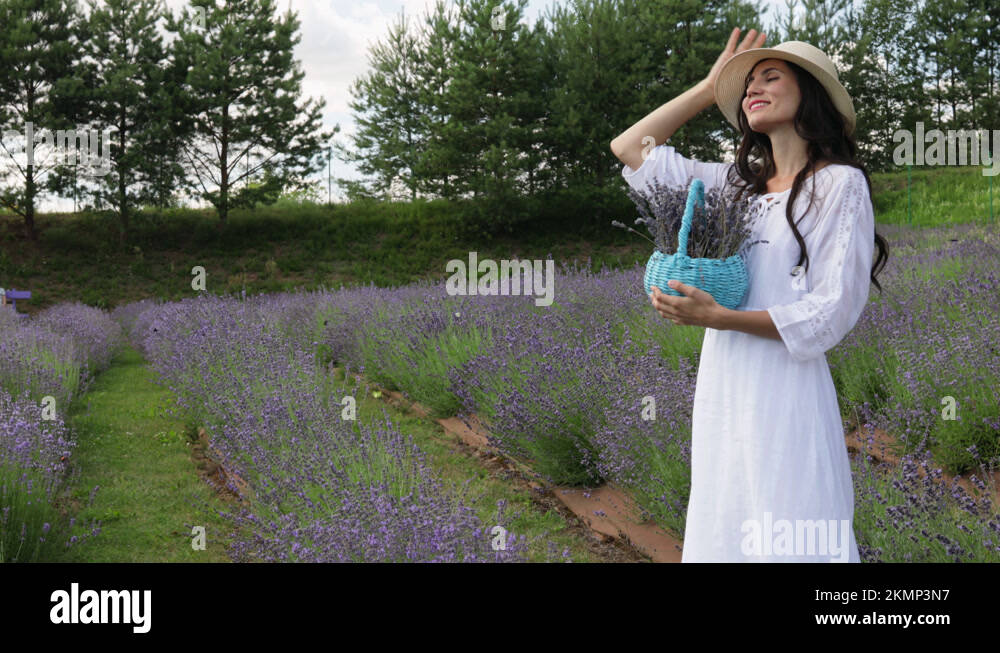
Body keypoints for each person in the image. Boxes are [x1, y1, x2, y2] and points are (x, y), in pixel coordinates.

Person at [610, 28, 889, 562]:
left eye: (770, 76)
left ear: (810, 92)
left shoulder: (838, 185)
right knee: (728, 517)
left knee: (792, 519)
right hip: (726, 381)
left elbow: (832, 309)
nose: (752, 89)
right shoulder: (734, 188)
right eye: (746, 85)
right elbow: (631, 149)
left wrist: (720, 316)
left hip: (786, 386)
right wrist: (707, 86)